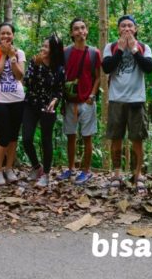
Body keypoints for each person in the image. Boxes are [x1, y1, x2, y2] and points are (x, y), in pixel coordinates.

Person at [101, 14, 152, 193]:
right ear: (118, 29)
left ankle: (137, 174)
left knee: (137, 139)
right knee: (116, 139)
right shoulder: (111, 47)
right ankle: (116, 174)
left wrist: (133, 50)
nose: (127, 29)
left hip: (136, 100)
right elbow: (107, 67)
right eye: (123, 26)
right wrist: (120, 49)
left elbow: (148, 68)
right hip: (117, 99)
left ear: (135, 29)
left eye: (130, 26)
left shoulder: (143, 47)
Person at [60, 18, 101, 185]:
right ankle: (70, 168)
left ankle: (86, 171)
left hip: (87, 101)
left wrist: (92, 95)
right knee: (70, 136)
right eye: (76, 29)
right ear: (71, 33)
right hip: (70, 101)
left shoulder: (94, 53)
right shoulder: (66, 52)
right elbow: (61, 75)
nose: (80, 31)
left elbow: (98, 77)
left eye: (83, 28)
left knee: (87, 137)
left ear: (87, 30)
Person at [22, 35, 65, 187]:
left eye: (46, 47)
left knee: (46, 140)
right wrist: (36, 66)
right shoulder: (35, 62)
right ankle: (36, 167)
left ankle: (46, 174)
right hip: (31, 104)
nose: (43, 49)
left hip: (48, 107)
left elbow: (59, 90)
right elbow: (26, 82)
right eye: (43, 45)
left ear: (54, 50)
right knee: (26, 139)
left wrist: (55, 101)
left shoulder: (59, 67)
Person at [0, 22, 26, 185]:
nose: (5, 36)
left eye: (8, 33)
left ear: (13, 35)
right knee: (4, 136)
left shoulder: (19, 52)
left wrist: (12, 57)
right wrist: (3, 55)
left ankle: (9, 168)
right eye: (2, 33)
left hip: (17, 98)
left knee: (13, 137)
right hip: (0, 100)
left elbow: (19, 76)